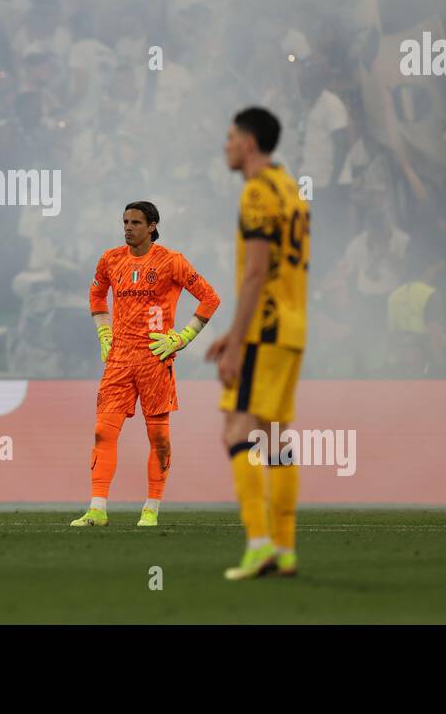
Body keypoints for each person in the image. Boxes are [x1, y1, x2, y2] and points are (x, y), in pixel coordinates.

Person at [205, 107, 308, 580]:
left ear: (248, 143)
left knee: (236, 428)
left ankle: (258, 544)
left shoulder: (256, 192)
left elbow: (254, 273)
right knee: (274, 438)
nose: (225, 145)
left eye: (229, 137)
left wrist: (237, 345)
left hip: (264, 330)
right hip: (291, 326)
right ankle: (284, 549)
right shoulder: (289, 186)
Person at [71, 200, 219, 529]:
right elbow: (96, 295)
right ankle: (97, 508)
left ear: (152, 226)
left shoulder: (171, 262)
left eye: (136, 222)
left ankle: (151, 508)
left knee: (159, 439)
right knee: (102, 433)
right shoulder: (110, 259)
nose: (128, 227)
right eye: (125, 221)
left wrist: (183, 338)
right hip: (119, 358)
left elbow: (210, 297)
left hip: (155, 358)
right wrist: (104, 332)